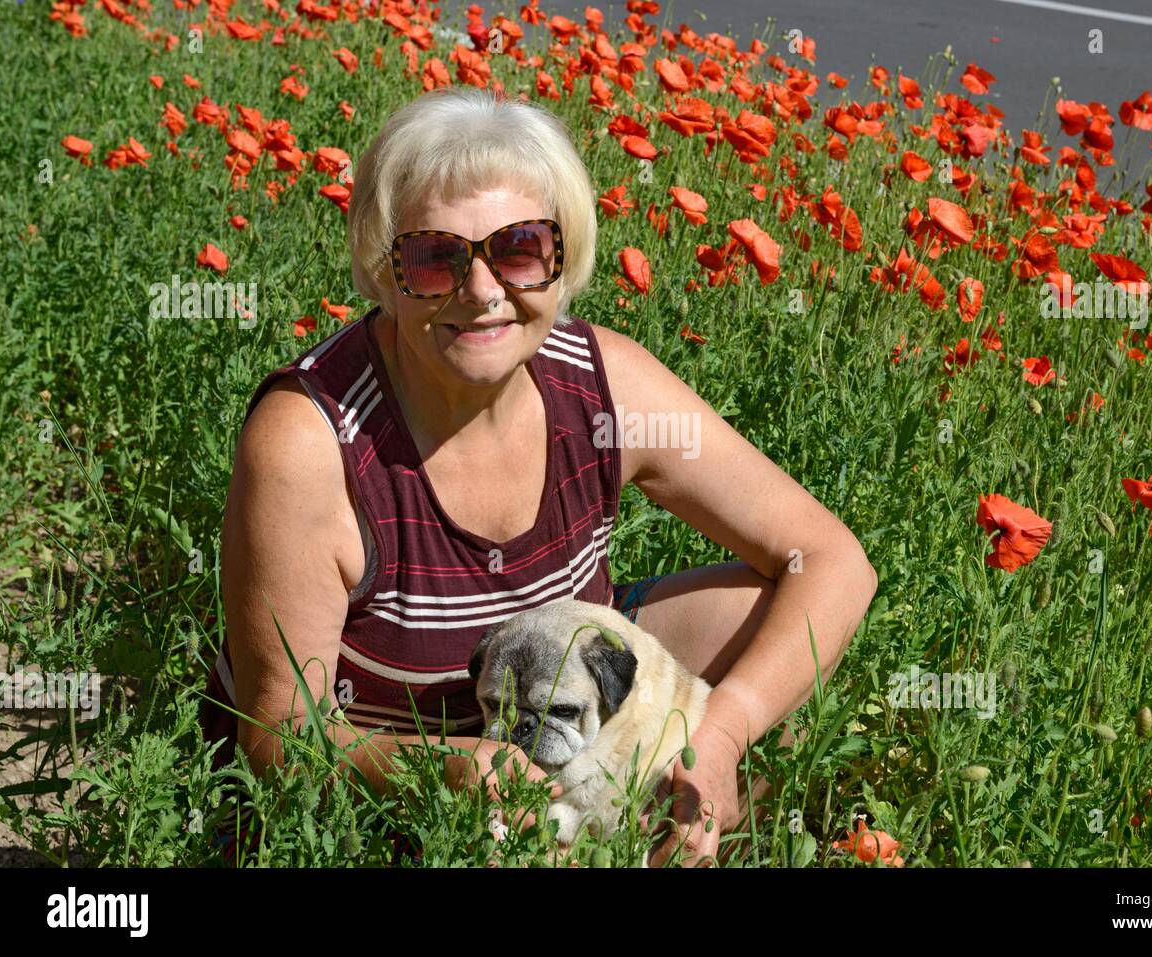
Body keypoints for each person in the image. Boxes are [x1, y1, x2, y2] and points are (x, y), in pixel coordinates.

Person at [199, 86, 877, 867]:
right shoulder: (311, 439)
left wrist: (720, 730)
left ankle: (696, 844)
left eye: (518, 248)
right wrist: (442, 766)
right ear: (384, 270)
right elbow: (279, 733)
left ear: (564, 259)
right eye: (434, 256)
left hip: (565, 703)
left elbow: (830, 559)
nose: (483, 291)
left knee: (766, 622)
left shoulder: (601, 382)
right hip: (372, 785)